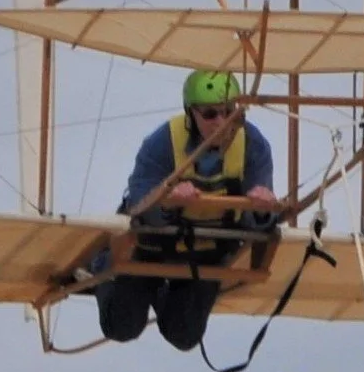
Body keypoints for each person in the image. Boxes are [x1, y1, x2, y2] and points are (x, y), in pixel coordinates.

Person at [94, 68, 279, 350]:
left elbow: (258, 224)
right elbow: (138, 202)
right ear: (191, 114)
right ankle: (104, 267)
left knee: (184, 336)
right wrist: (166, 198)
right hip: (152, 249)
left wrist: (263, 208)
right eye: (209, 114)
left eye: (228, 111)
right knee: (122, 326)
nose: (220, 122)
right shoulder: (162, 143)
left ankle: (163, 293)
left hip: (205, 253)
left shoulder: (253, 146)